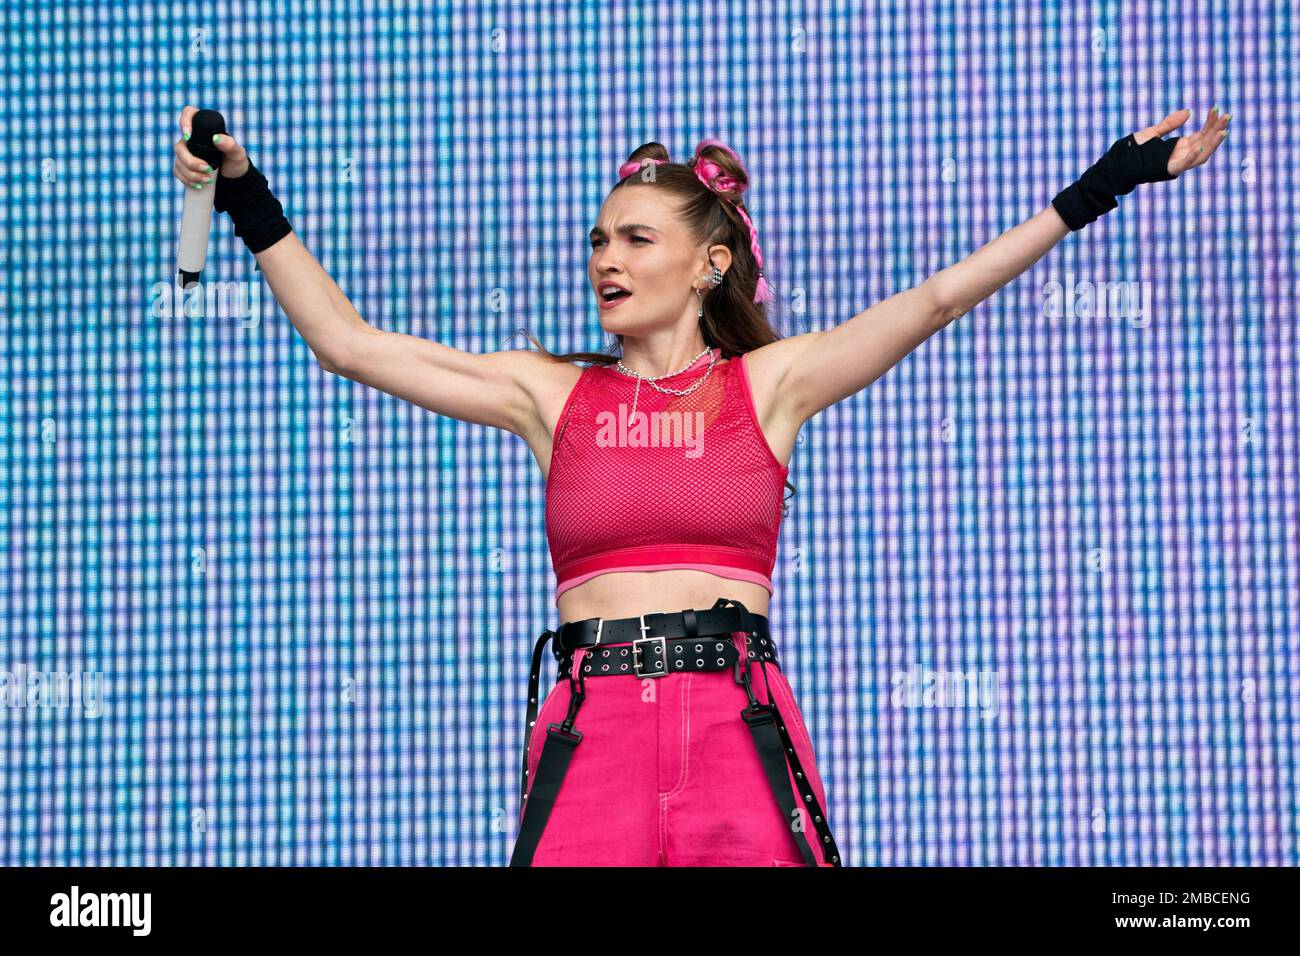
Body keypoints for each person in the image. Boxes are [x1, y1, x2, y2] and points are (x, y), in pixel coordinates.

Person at [171, 105, 1231, 866]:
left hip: (736, 722)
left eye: (636, 237)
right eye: (598, 238)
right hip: (594, 732)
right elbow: (346, 343)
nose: (604, 258)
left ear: (710, 262)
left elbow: (938, 296)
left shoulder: (767, 385)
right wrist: (247, 193)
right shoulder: (547, 393)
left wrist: (1103, 185)